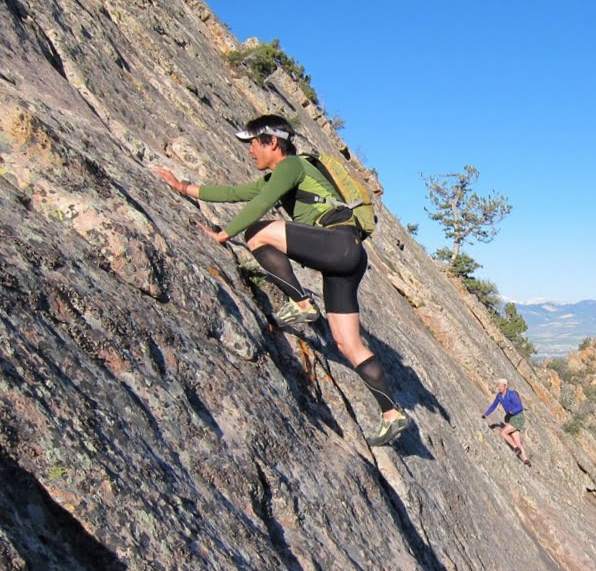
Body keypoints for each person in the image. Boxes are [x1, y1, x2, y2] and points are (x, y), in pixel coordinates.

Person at [152, 114, 409, 447]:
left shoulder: (291, 167)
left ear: (272, 142)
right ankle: (392, 414)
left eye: (253, 144)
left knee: (256, 233)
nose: (249, 152)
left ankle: (301, 303)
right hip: (349, 256)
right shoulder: (283, 175)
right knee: (348, 344)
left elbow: (260, 205)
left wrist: (223, 235)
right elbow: (236, 192)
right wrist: (183, 186)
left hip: (338, 244)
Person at [482, 378, 530, 465]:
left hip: (518, 418)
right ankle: (526, 459)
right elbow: (493, 406)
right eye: (498, 386)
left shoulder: (511, 394)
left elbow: (520, 407)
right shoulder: (499, 396)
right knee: (517, 440)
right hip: (512, 419)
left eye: (501, 386)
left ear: (505, 386)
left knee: (503, 433)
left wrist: (510, 412)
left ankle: (515, 448)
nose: (499, 388)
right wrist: (486, 414)